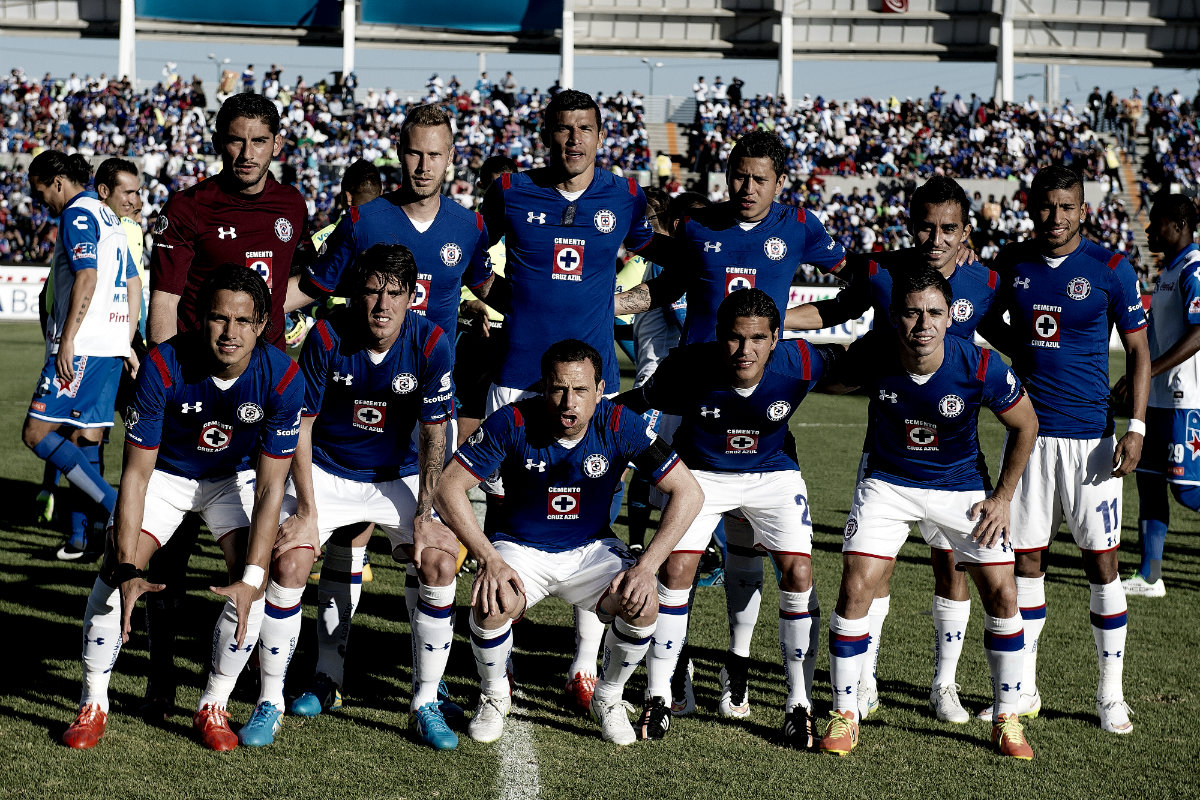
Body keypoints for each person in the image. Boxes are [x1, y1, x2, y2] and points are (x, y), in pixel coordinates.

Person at [613, 129, 846, 718]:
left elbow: (854, 284)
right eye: (738, 176)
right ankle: (675, 668)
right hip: (692, 391)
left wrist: (789, 320)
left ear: (780, 182)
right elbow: (663, 288)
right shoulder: (697, 227)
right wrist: (605, 302)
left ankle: (737, 663)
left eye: (759, 179)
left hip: (760, 393)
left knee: (746, 546)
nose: (746, 187)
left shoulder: (801, 226)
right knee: (681, 552)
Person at [60, 265, 302, 751]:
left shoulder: (282, 375)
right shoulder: (164, 364)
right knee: (116, 566)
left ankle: (214, 703)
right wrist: (127, 565)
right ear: (200, 318)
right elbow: (136, 476)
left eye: (242, 321)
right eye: (218, 318)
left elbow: (271, 487)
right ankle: (93, 701)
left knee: (252, 579)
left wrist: (253, 575)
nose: (229, 332)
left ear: (261, 325)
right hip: (167, 475)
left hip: (231, 478)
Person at [785, 176, 998, 723]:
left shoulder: (986, 280)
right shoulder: (881, 272)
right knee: (875, 568)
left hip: (954, 454)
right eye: (925, 226)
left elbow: (1012, 336)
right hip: (888, 447)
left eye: (948, 228)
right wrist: (774, 319)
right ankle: (865, 676)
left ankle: (944, 684)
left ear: (965, 231)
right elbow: (837, 310)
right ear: (910, 224)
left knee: (951, 564)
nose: (935, 238)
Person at [435, 339, 704, 745]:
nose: (568, 401)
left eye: (580, 390)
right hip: (520, 547)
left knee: (643, 602)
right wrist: (489, 558)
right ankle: (494, 695)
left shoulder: (620, 423)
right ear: (544, 386)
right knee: (492, 601)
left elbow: (689, 492)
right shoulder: (512, 421)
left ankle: (608, 697)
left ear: (600, 390)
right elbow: (448, 487)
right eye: (558, 389)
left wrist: (647, 567)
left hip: (592, 550)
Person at [819, 267, 1040, 759]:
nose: (924, 323)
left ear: (950, 316)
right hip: (888, 483)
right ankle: (844, 712)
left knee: (1003, 592)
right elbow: (829, 380)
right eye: (912, 312)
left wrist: (1002, 497)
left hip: (961, 488)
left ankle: (1006, 719)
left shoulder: (981, 365)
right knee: (855, 586)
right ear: (894, 315)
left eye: (934, 312)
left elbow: (1026, 424)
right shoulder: (875, 352)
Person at [615, 289, 841, 747]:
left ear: (775, 339)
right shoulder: (688, 365)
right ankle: (658, 695)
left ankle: (799, 704)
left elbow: (859, 363)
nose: (745, 350)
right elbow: (636, 405)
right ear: (719, 336)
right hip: (701, 473)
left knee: (799, 573)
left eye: (757, 339)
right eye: (735, 338)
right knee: (677, 568)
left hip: (772, 472)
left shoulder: (801, 361)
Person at [980, 165, 1149, 734]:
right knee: (1027, 561)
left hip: (1091, 440)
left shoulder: (1111, 268)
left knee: (1102, 563)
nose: (1055, 217)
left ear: (1083, 211)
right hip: (1028, 436)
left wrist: (1136, 426)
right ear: (1033, 208)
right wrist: (1022, 346)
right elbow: (985, 315)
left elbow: (1139, 352)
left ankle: (1110, 695)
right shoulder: (1014, 262)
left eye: (1066, 207)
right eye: (1046, 206)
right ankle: (1023, 689)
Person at [279, 245, 461, 749]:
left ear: (412, 297)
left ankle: (426, 699)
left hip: (397, 473)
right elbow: (301, 427)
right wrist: (308, 510)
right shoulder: (326, 334)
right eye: (372, 291)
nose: (382, 304)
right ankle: (324, 679)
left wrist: (425, 513)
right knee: (289, 557)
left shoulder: (432, 342)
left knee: (438, 560)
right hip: (329, 467)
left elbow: (434, 434)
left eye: (395, 293)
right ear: (356, 294)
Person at [22, 151, 140, 560]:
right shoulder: (109, 216)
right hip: (108, 348)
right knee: (83, 437)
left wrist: (68, 339)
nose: (41, 202)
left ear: (57, 182)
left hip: (85, 346)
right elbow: (132, 283)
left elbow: (87, 275)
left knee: (36, 433)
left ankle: (116, 509)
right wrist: (125, 341)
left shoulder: (77, 214)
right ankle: (83, 537)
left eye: (41, 192)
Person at [150, 92, 309, 349]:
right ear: (217, 142)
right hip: (201, 365)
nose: (247, 154)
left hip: (268, 364)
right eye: (236, 140)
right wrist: (162, 368)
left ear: (277, 144)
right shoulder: (186, 207)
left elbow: (285, 290)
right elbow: (165, 301)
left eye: (259, 141)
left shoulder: (292, 204)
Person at [1122, 194, 1200, 597]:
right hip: (1154, 398)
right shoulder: (1169, 269)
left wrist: (1149, 370)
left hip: (1185, 399)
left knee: (1187, 489)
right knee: (1149, 482)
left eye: (1157, 223)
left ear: (1179, 225)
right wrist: (1136, 378)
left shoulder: (1194, 268)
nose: (1150, 230)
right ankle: (1150, 576)